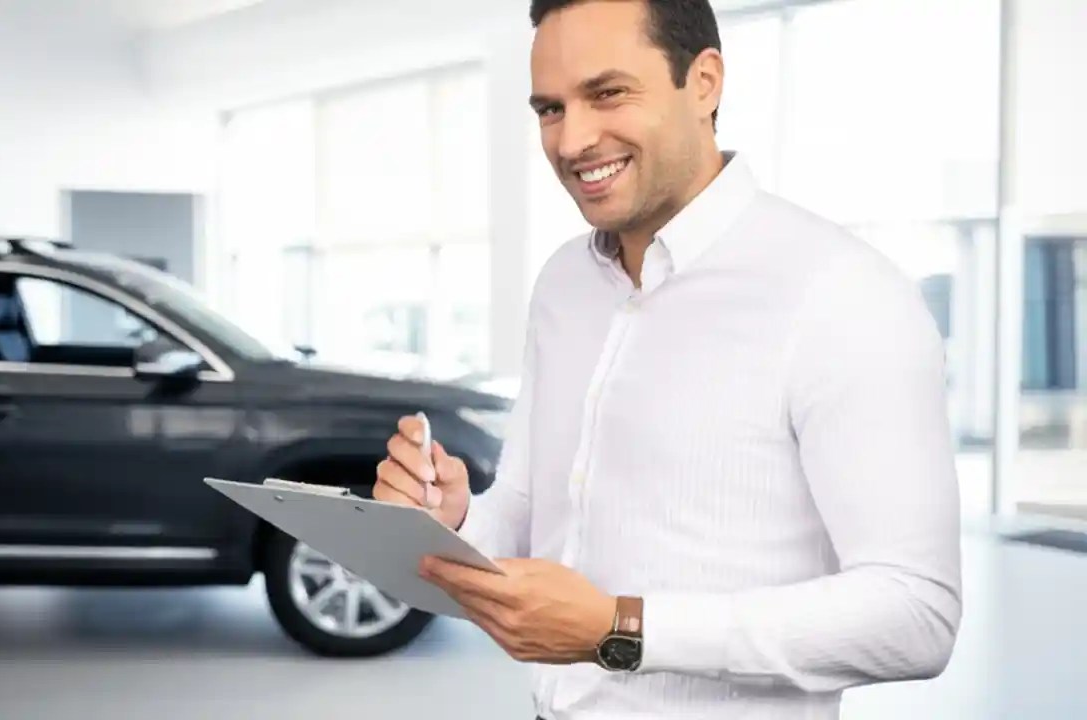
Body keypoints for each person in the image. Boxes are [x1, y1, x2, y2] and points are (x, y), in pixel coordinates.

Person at [374, 0, 962, 717]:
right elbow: (532, 514)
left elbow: (916, 615)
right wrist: (456, 519)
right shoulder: (564, 284)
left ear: (705, 81)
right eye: (550, 109)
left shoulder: (843, 294)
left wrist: (621, 630)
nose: (572, 140)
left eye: (607, 92)